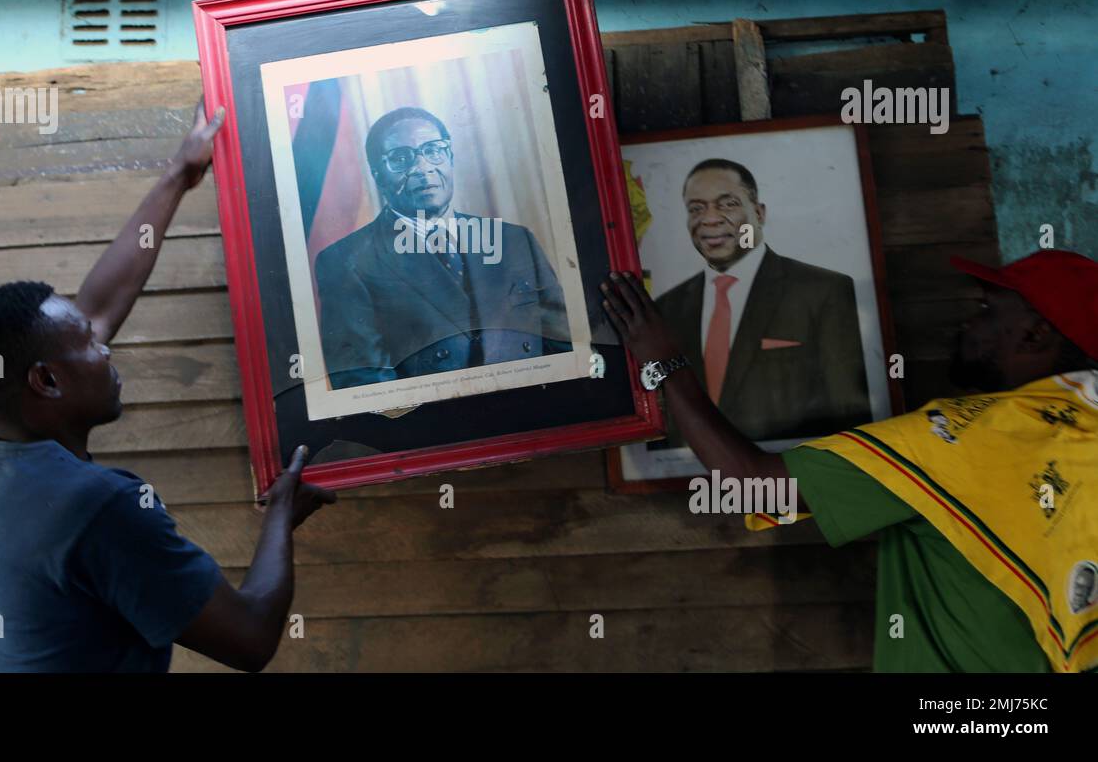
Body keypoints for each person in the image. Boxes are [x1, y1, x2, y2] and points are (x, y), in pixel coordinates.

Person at [0, 101, 335, 673]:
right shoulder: (98, 508)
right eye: (90, 344)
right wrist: (279, 515)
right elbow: (250, 639)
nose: (105, 345)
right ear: (46, 381)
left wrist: (180, 174)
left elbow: (97, 307)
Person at [602, 249, 1098, 672]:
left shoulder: (974, 433)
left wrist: (664, 360)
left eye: (989, 311)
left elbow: (755, 484)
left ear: (1035, 337)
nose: (969, 322)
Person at [314, 106, 571, 389]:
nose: (422, 168)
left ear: (449, 158)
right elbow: (366, 386)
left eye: (433, 150)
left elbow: (564, 349)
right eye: (401, 158)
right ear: (377, 175)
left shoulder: (514, 240)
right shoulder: (346, 262)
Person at [653, 158, 870, 443]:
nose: (710, 219)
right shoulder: (667, 308)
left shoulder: (822, 291)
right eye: (696, 208)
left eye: (727, 203)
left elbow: (848, 413)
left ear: (759, 213)